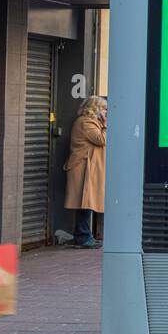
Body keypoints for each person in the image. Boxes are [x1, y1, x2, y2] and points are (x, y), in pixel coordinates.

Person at [64, 95, 107, 249]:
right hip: (84, 167)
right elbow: (101, 139)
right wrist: (106, 124)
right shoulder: (86, 122)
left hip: (90, 167)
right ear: (94, 108)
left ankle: (84, 235)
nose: (106, 111)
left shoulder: (92, 122)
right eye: (103, 108)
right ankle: (83, 237)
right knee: (86, 202)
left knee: (88, 202)